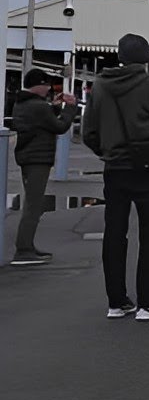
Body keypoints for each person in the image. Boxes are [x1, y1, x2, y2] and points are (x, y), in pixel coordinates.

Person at [82, 33, 149, 321]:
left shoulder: (100, 85)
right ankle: (148, 304)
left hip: (114, 169)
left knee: (115, 234)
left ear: (120, 56)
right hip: (147, 168)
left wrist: (108, 152)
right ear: (147, 58)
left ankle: (117, 302)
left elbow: (88, 132)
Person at [10, 69, 77, 266]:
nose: (48, 88)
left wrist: (53, 107)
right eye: (46, 84)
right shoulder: (38, 107)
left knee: (32, 203)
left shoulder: (22, 103)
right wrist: (70, 108)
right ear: (38, 86)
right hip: (37, 160)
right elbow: (59, 127)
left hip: (28, 157)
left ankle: (27, 246)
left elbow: (41, 121)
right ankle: (23, 250)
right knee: (33, 205)